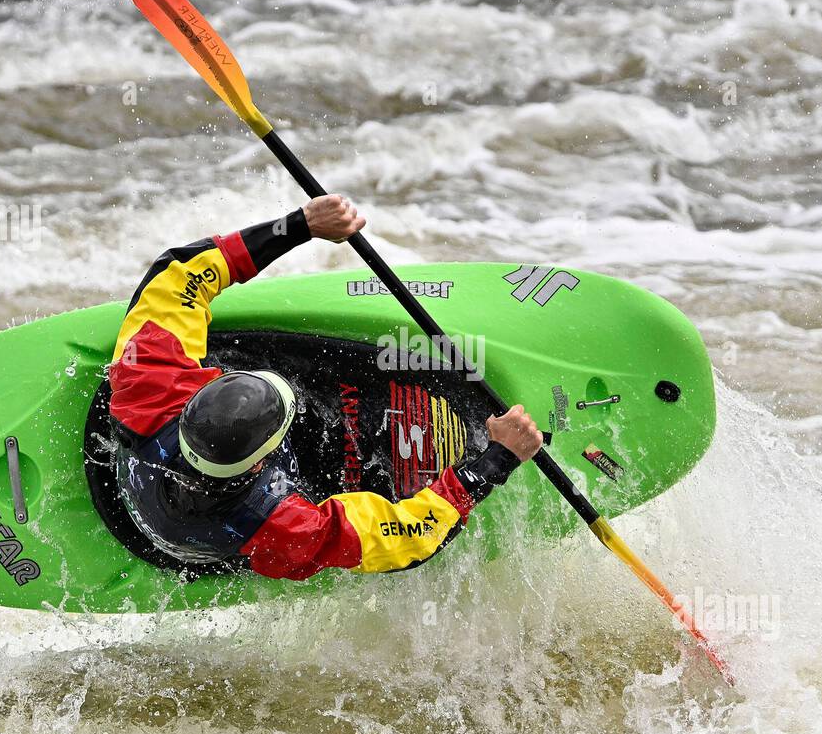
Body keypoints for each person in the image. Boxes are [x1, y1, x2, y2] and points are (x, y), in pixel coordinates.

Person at [108, 194, 543, 580]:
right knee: (331, 531)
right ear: (260, 464)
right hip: (226, 534)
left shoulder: (150, 385)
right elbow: (408, 542)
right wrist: (497, 460)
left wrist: (301, 224)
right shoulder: (283, 526)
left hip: (157, 496)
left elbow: (178, 273)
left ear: (195, 403)